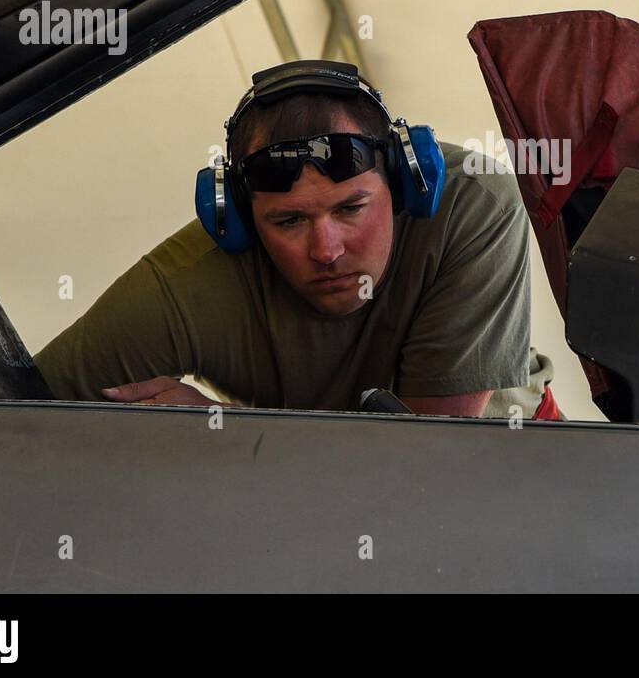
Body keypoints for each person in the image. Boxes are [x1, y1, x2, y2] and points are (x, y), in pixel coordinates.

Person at [34, 60, 560, 420]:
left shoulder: (471, 202)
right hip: (305, 499)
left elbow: (426, 460)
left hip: (515, 468)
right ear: (236, 220)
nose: (326, 249)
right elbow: (8, 410)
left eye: (351, 208)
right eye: (288, 222)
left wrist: (227, 438)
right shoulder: (188, 282)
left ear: (406, 183)